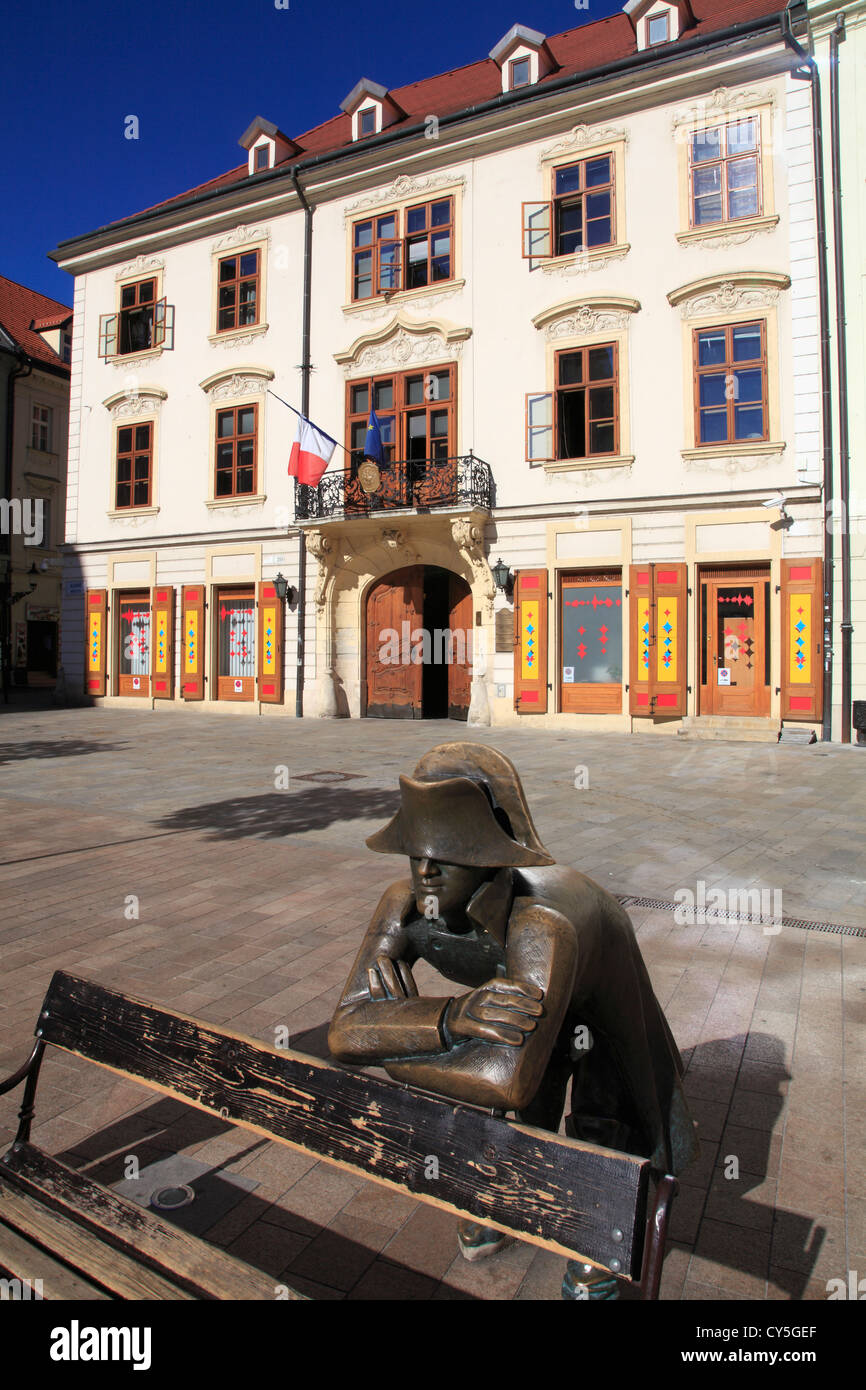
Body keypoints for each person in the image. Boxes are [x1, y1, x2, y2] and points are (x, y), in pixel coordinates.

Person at [329, 742, 698, 1296]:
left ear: (486, 859)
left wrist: (389, 1036)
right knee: (528, 1073)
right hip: (518, 989)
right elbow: (341, 1032)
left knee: (608, 1099)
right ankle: (508, 1195)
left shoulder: (543, 924)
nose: (424, 871)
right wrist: (451, 1019)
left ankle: (600, 1227)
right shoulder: (403, 904)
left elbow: (502, 1078)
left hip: (599, 970)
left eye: (445, 857)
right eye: (415, 855)